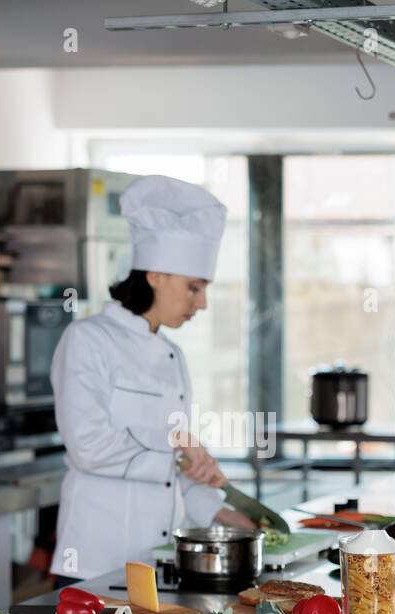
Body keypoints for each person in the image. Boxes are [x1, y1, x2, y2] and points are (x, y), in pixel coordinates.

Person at [49, 175, 255, 583]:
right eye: (194, 288)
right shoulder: (88, 339)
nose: (202, 303)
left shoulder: (173, 357)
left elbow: (174, 473)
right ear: (155, 275)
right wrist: (178, 455)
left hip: (158, 566)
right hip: (93, 563)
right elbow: (88, 446)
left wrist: (219, 512)